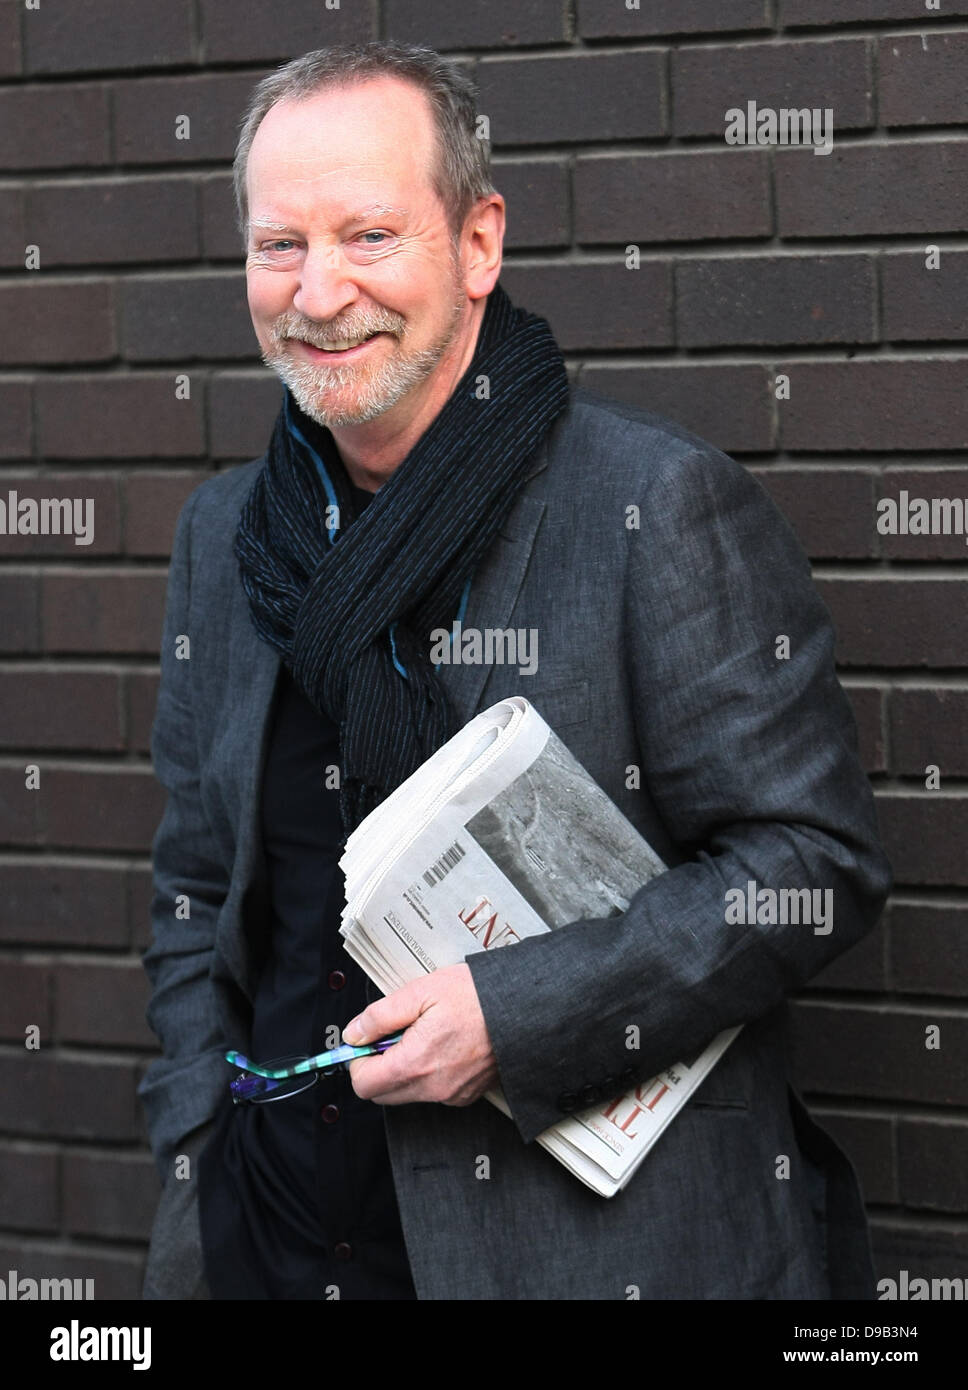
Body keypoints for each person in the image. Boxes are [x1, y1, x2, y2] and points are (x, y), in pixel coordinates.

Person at [139, 41, 892, 1301]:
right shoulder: (224, 538)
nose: (317, 292)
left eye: (369, 235)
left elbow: (808, 867)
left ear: (479, 241)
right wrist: (192, 1142)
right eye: (280, 245)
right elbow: (197, 884)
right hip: (263, 1243)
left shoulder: (653, 505)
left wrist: (520, 1013)